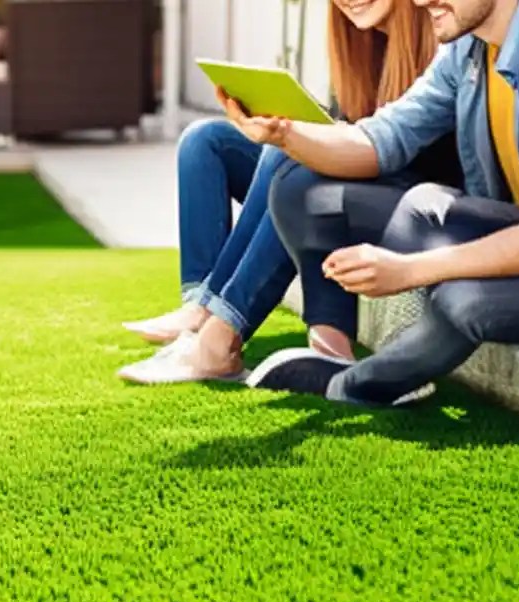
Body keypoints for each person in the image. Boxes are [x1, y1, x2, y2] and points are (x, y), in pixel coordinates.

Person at [241, 0, 519, 407]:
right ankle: (334, 349)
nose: (419, 2)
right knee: (305, 190)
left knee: (462, 301)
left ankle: (354, 385)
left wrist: (410, 270)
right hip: (518, 228)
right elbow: (383, 139)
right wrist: (284, 134)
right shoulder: (468, 48)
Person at [119, 0, 461, 385]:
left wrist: (302, 139)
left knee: (289, 156)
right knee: (207, 141)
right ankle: (201, 303)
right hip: (341, 188)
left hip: (405, 206)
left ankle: (217, 331)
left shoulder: (443, 44)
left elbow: (397, 156)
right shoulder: (359, 47)